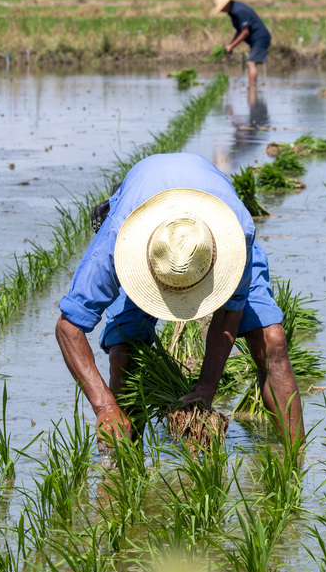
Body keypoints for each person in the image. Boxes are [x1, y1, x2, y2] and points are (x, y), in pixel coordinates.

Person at [57, 153, 304, 446]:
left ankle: (295, 460)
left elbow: (229, 312)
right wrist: (104, 406)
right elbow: (68, 327)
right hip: (143, 221)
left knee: (272, 341)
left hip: (215, 223)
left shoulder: (237, 231)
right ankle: (124, 460)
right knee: (125, 354)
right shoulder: (117, 237)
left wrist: (207, 386)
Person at [213, 0, 272, 86]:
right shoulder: (233, 11)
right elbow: (240, 31)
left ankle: (252, 88)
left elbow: (245, 32)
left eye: (221, 8)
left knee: (251, 63)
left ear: (226, 4)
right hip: (255, 39)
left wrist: (231, 46)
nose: (221, 11)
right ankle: (253, 86)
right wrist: (230, 45)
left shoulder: (239, 11)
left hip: (260, 38)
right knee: (251, 63)